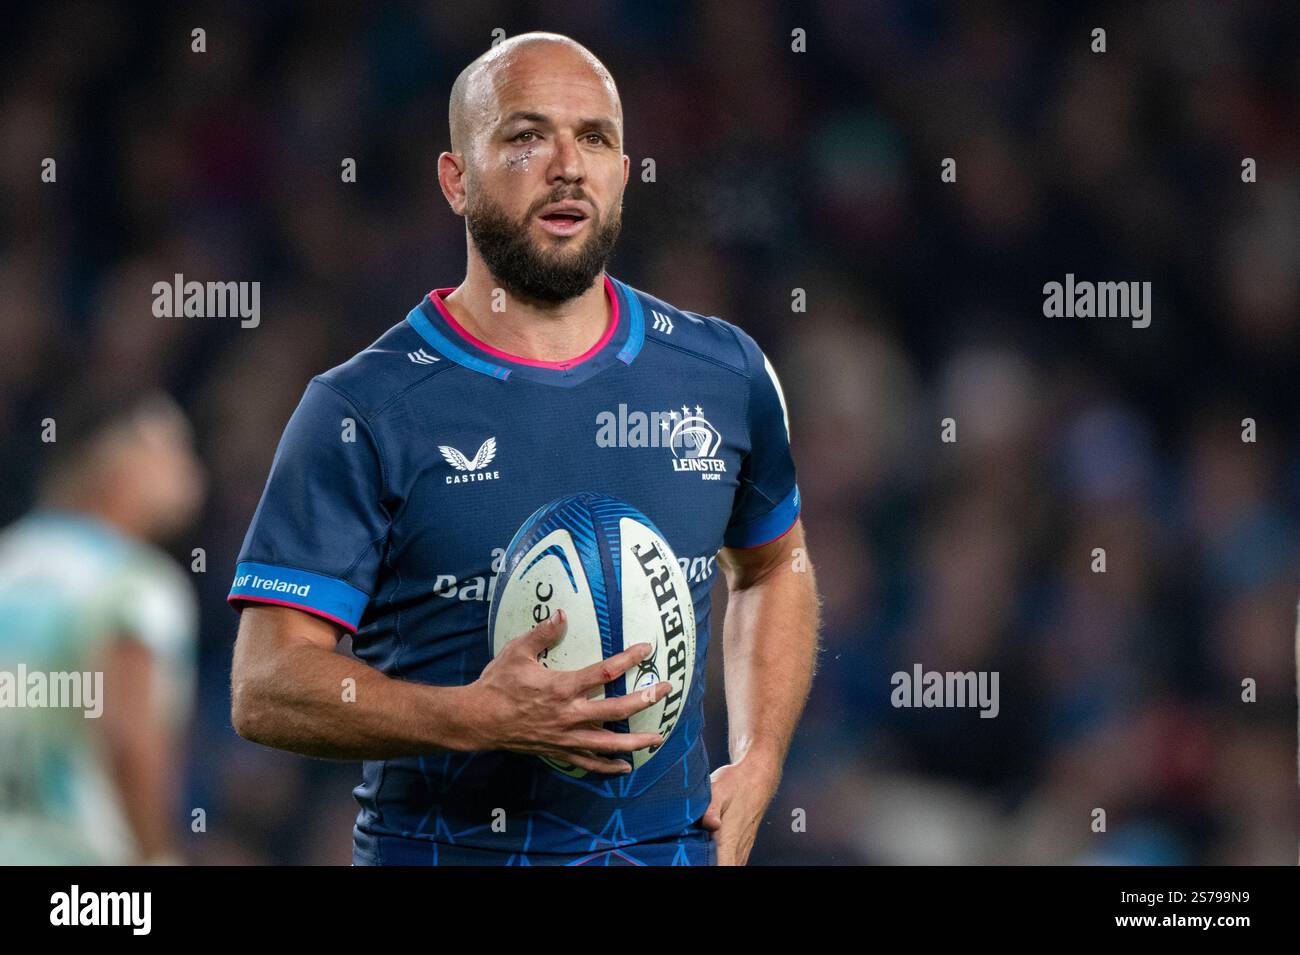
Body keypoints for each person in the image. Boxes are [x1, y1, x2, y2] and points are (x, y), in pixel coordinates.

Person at [229, 31, 821, 866]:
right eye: (526, 137)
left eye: (595, 138)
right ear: (456, 179)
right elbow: (266, 686)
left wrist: (759, 760)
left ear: (623, 173)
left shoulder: (723, 372)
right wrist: (477, 714)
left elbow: (772, 566)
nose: (567, 164)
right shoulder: (363, 407)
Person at [0, 391, 204, 863]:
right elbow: (126, 735)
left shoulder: (8, 561)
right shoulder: (136, 584)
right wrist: (157, 855)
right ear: (117, 459)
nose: (191, 471)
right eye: (172, 448)